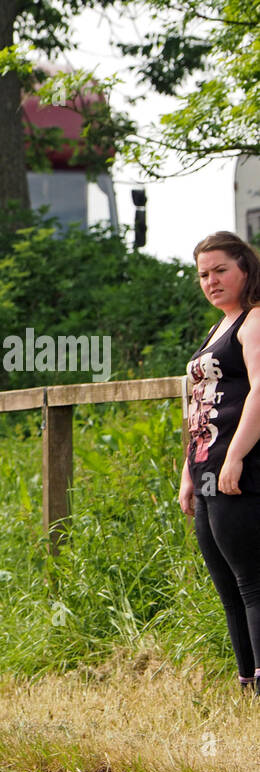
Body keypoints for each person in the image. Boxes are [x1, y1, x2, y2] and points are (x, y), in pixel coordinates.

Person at [179, 231, 260, 693]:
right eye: (203, 275)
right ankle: (246, 683)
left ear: (244, 269)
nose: (211, 281)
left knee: (252, 582)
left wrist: (236, 457)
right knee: (227, 587)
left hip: (241, 467)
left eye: (220, 270)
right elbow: (196, 405)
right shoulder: (217, 329)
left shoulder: (254, 321)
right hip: (207, 468)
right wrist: (188, 473)